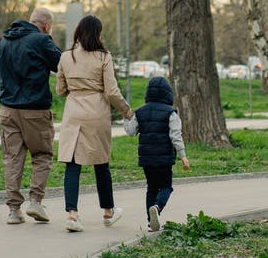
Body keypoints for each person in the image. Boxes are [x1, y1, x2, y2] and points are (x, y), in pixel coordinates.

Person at [56, 15, 133, 232]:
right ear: (97, 33)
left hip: (74, 112)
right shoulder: (103, 57)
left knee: (72, 164)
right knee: (101, 163)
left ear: (78, 32)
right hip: (97, 112)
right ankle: (108, 212)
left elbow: (60, 91)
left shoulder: (66, 57)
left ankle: (72, 215)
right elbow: (111, 91)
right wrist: (127, 111)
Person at [0, 7, 61, 225]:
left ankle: (13, 210)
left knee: (12, 159)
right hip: (35, 110)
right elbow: (62, 65)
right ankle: (36, 202)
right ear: (47, 25)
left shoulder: (3, 41)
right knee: (42, 155)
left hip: (7, 110)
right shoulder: (41, 41)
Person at [123, 75, 190, 232]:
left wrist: (127, 118)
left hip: (146, 159)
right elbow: (176, 136)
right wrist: (183, 155)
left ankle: (150, 221)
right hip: (164, 159)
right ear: (168, 94)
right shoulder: (171, 113)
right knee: (166, 187)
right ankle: (157, 207)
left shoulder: (140, 112)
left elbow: (131, 132)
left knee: (151, 187)